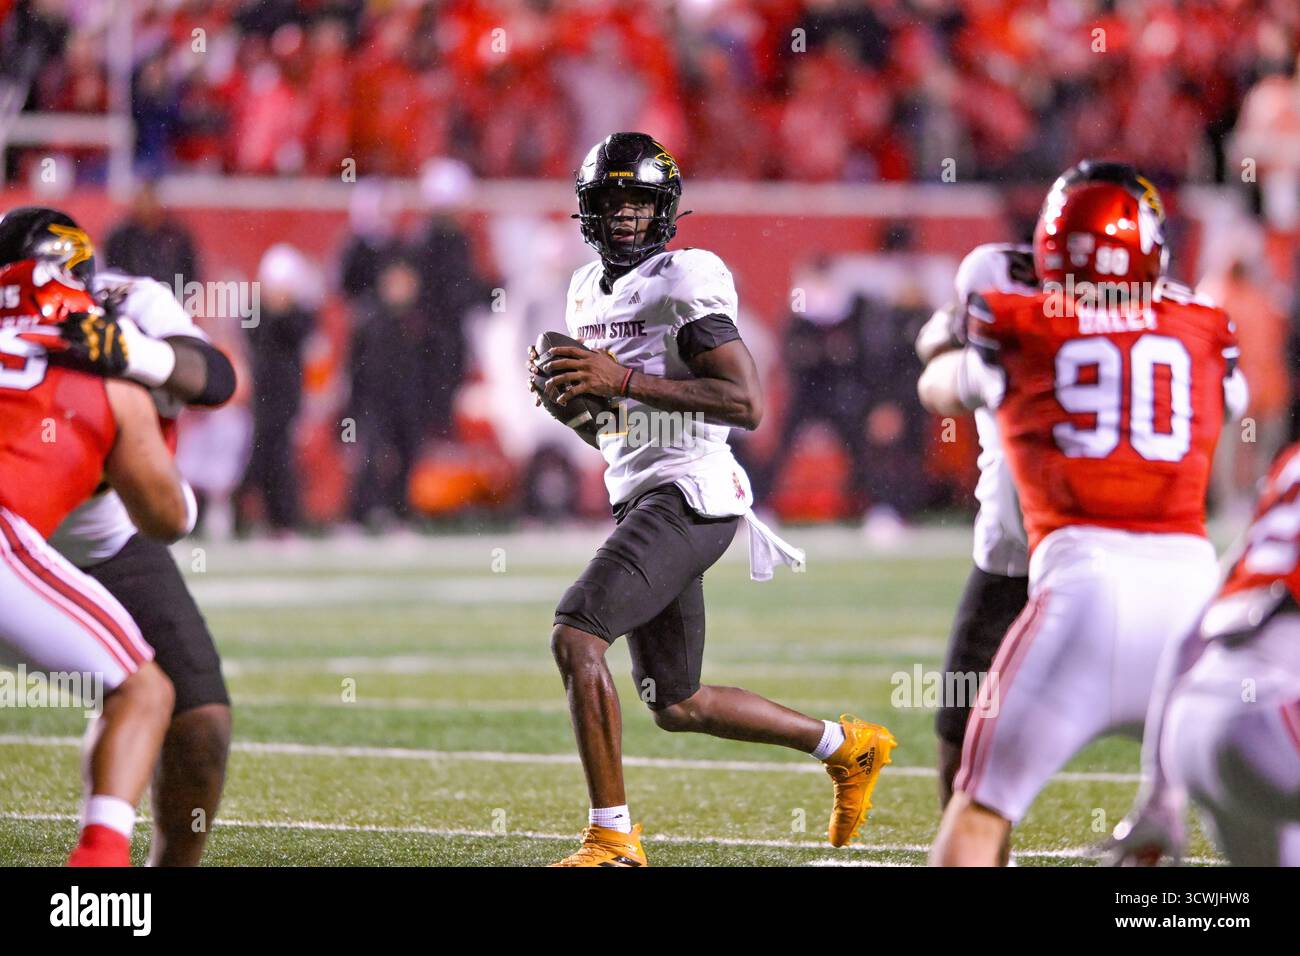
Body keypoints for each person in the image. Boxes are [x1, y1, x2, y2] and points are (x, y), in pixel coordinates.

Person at [531, 132, 896, 867]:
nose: (627, 215)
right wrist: (572, 406)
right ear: (589, 210)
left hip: (692, 491)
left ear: (664, 209)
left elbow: (745, 401)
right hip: (641, 491)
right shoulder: (581, 290)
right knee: (676, 703)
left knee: (577, 633)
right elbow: (614, 424)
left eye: (640, 200)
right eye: (613, 200)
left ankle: (612, 838)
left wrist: (619, 380)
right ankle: (845, 746)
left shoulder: (685, 276)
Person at [918, 173, 1248, 866]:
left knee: (977, 805)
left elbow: (941, 384)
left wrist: (957, 349)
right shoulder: (1200, 323)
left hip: (1079, 578)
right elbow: (1231, 397)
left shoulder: (1018, 320)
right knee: (1259, 815)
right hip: (1192, 591)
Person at [913, 161, 1173, 810]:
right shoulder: (1001, 276)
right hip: (1030, 543)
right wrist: (949, 338)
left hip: (1092, 540)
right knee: (960, 731)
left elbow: (938, 371)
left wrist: (951, 354)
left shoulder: (1002, 279)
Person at [0, 206, 237, 866]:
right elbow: (176, 515)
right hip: (24, 529)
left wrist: (129, 352)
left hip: (99, 537)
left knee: (199, 719)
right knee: (137, 689)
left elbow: (213, 376)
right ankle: (98, 873)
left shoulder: (128, 302)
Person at [1108, 441, 1300, 867]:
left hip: (1193, 725)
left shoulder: (1291, 464)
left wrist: (1160, 794)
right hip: (1267, 720)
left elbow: (1189, 635)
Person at [237, 244, 316, 535]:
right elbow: (252, 334)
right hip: (262, 396)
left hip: (288, 396)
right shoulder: (257, 312)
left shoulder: (299, 315)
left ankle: (282, 521)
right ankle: (246, 516)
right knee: (262, 455)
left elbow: (300, 332)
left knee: (280, 456)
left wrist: (282, 311)